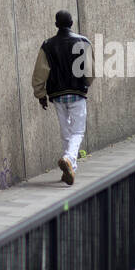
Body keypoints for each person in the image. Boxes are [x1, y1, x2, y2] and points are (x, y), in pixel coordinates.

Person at [32, 10, 93, 185]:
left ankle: (70, 169)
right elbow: (90, 71)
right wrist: (85, 84)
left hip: (57, 95)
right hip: (77, 92)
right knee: (78, 131)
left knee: (66, 132)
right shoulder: (83, 42)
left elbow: (40, 72)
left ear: (56, 24)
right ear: (72, 23)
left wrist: (41, 94)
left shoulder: (47, 45)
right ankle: (68, 158)